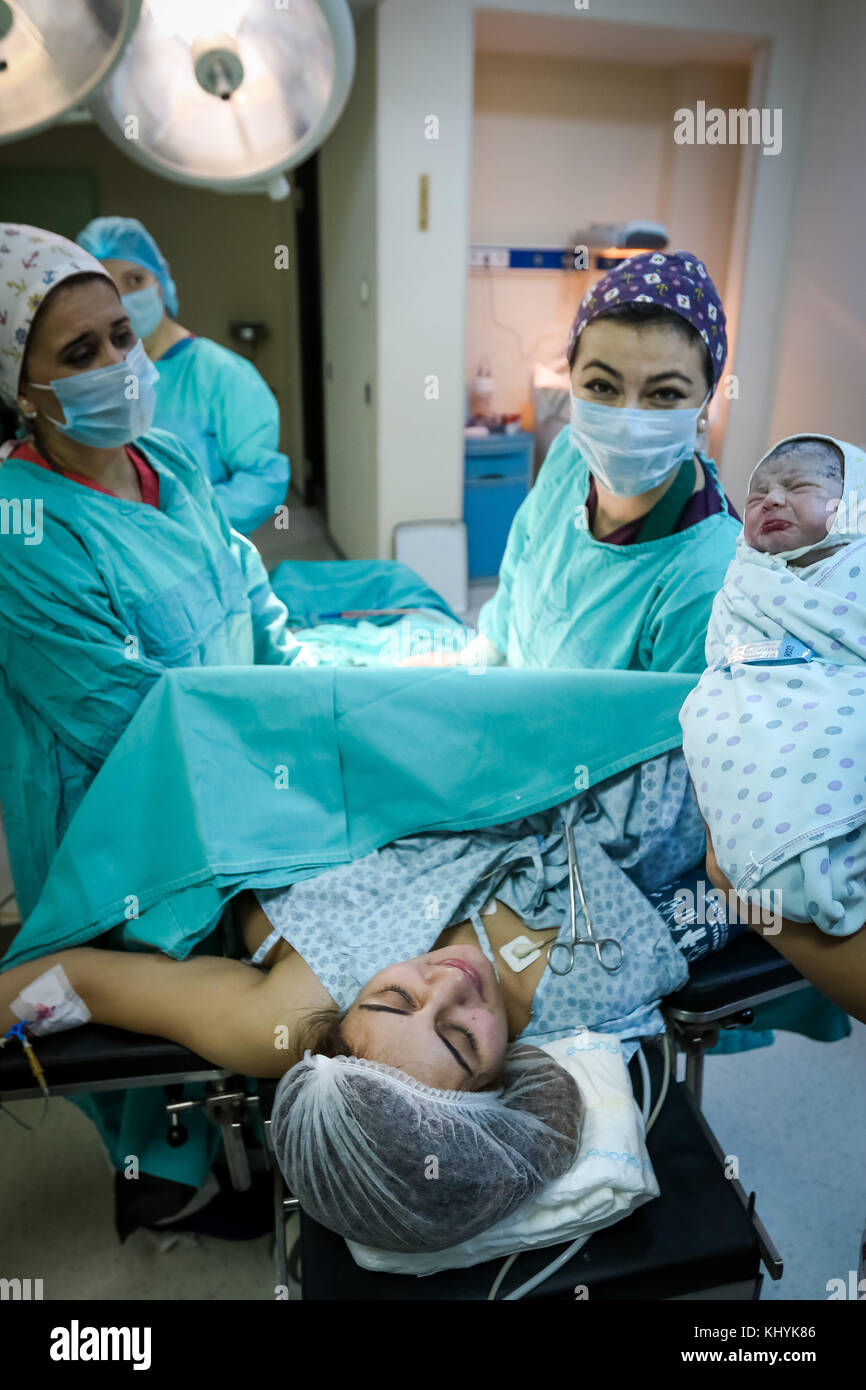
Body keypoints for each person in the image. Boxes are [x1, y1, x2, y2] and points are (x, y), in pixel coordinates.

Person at [0, 224, 308, 920]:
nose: (117, 362)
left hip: (244, 784)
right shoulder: (21, 527)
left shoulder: (166, 456)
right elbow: (128, 727)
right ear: (23, 392)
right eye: (81, 354)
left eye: (121, 337)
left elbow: (246, 593)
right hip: (131, 848)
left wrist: (306, 707)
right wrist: (277, 787)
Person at [404, 250, 740, 673]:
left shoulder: (706, 577)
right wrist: (483, 656)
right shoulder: (570, 454)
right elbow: (523, 557)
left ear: (706, 403)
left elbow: (660, 734)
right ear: (572, 379)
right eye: (601, 385)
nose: (625, 425)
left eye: (666, 393)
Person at [682, 433, 866, 938]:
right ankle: (773, 855)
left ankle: (826, 851)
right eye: (758, 496)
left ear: (853, 503)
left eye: (798, 486)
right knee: (702, 716)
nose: (773, 500)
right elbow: (718, 662)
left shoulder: (858, 564)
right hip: (751, 704)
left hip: (837, 704)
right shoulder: (744, 578)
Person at [76, 216, 289, 535]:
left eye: (134, 280)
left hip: (202, 553)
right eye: (108, 287)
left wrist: (186, 522)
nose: (124, 299)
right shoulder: (96, 379)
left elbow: (263, 476)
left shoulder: (220, 374)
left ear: (160, 283)